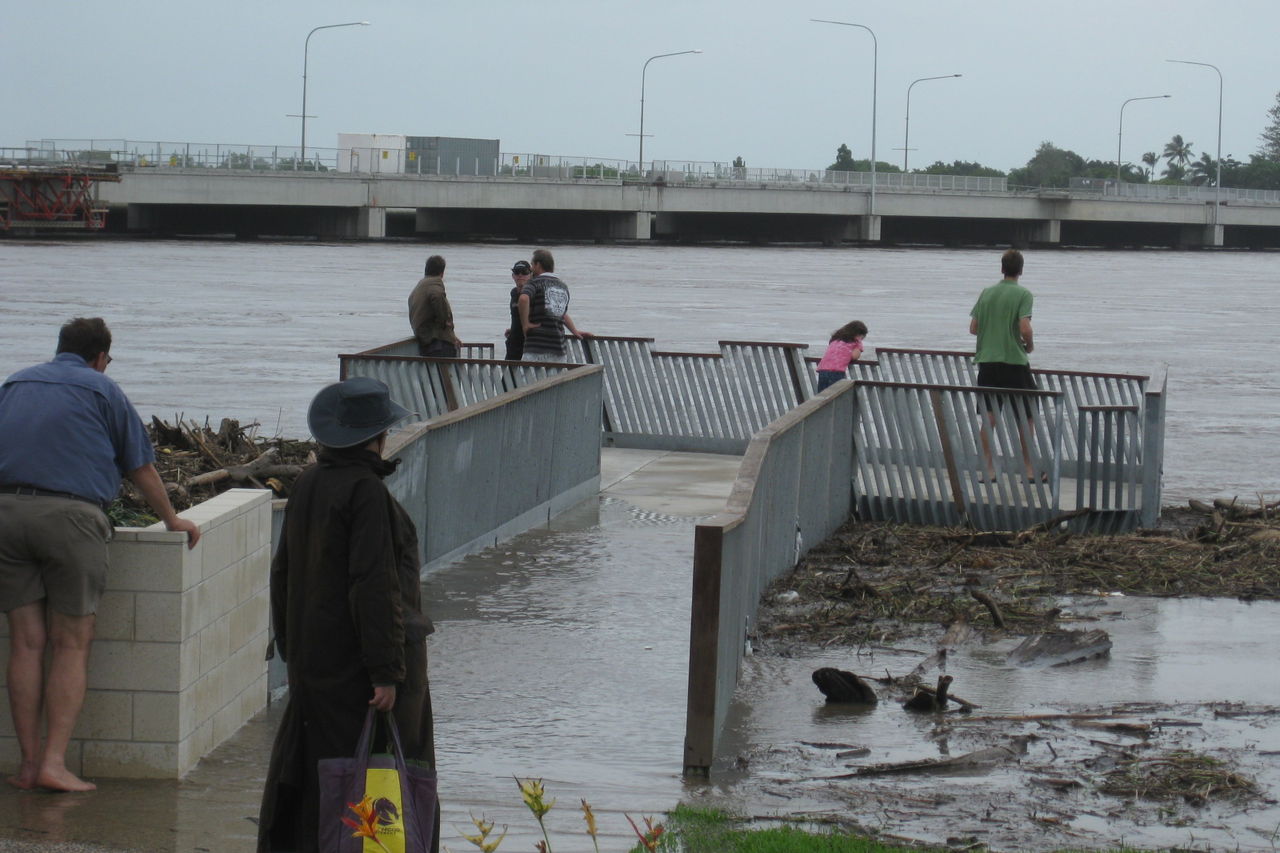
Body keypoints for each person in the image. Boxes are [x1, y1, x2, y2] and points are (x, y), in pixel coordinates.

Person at [0, 317, 201, 793]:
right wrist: (173, 519)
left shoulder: (14, 382)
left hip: (6, 514)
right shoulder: (102, 388)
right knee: (71, 641)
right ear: (101, 356)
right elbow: (139, 465)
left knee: (26, 642)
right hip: (70, 518)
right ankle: (53, 762)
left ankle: (27, 765)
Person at [258, 376, 436, 853]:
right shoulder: (367, 493)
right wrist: (386, 672)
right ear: (376, 438)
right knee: (374, 780)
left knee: (321, 779)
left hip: (316, 671)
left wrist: (294, 653)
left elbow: (283, 574)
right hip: (360, 676)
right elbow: (374, 586)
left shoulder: (311, 482)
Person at [969, 248, 1039, 482]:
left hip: (987, 363)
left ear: (1002, 268)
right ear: (1020, 270)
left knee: (988, 419)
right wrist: (1028, 346)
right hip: (1014, 362)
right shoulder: (1023, 294)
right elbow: (1025, 327)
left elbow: (973, 328)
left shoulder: (986, 293)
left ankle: (987, 471)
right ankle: (1028, 470)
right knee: (1026, 417)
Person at [518, 248, 588, 362]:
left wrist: (525, 324)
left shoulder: (534, 283)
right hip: (558, 348)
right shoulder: (562, 286)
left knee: (529, 379)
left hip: (536, 347)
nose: (531, 268)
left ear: (538, 264)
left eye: (532, 264)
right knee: (557, 379)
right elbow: (561, 313)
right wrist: (575, 331)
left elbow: (523, 299)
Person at [408, 254, 461, 357]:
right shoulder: (434, 286)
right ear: (442, 273)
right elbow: (436, 296)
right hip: (436, 343)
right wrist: (445, 322)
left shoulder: (420, 286)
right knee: (445, 371)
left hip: (424, 339)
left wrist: (452, 337)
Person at [815, 320, 868, 392]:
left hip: (822, 370)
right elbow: (854, 356)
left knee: (822, 396)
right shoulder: (855, 342)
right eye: (862, 337)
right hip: (836, 371)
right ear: (859, 335)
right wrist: (859, 346)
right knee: (835, 396)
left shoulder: (836, 339)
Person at [504, 259, 532, 360]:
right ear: (513, 276)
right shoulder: (514, 293)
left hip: (528, 344)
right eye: (517, 272)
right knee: (508, 375)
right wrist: (513, 329)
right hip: (513, 343)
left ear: (530, 275)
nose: (520, 275)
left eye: (524, 272)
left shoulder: (533, 293)